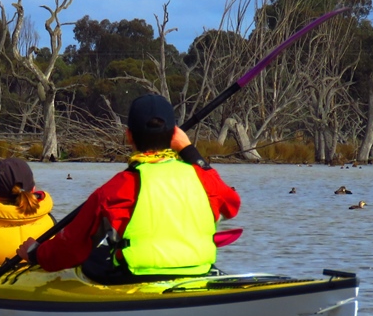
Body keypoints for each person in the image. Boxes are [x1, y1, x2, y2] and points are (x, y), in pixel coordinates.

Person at [16, 93, 240, 283]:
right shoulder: (202, 177)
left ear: (129, 136)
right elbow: (231, 206)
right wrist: (189, 150)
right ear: (175, 136)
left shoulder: (117, 188)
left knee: (94, 252)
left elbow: (72, 246)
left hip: (137, 277)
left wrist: (37, 254)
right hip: (198, 271)